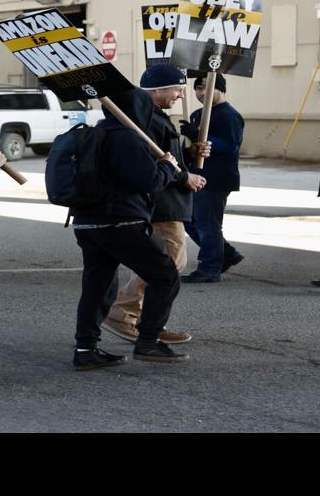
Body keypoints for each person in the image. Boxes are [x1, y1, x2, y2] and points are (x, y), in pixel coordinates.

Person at [69, 76, 189, 370]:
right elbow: (148, 181)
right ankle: (148, 341)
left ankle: (86, 349)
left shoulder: (95, 133)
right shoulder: (127, 138)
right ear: (137, 107)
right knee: (165, 275)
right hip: (120, 221)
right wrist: (168, 167)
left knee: (97, 286)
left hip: (87, 221)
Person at [101, 65, 206, 345]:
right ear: (158, 89)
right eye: (178, 89)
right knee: (168, 265)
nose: (181, 95)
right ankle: (127, 314)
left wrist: (189, 154)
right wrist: (184, 176)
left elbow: (165, 155)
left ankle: (145, 319)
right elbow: (148, 162)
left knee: (166, 263)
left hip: (166, 200)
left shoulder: (152, 116)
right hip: (161, 201)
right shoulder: (141, 118)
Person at [182, 73, 245, 283]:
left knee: (207, 224)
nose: (202, 93)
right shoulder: (197, 114)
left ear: (221, 90)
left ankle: (210, 268)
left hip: (216, 177)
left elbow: (231, 145)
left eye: (207, 88)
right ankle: (226, 253)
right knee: (189, 220)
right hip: (197, 175)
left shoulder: (228, 115)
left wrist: (200, 135)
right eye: (198, 89)